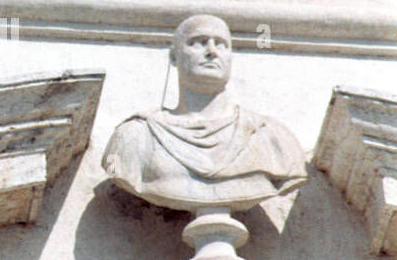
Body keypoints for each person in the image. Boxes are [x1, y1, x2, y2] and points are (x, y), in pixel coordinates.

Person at [103, 14, 307, 211]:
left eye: (221, 44)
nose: (212, 51)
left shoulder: (270, 136)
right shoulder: (136, 135)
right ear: (174, 56)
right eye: (198, 42)